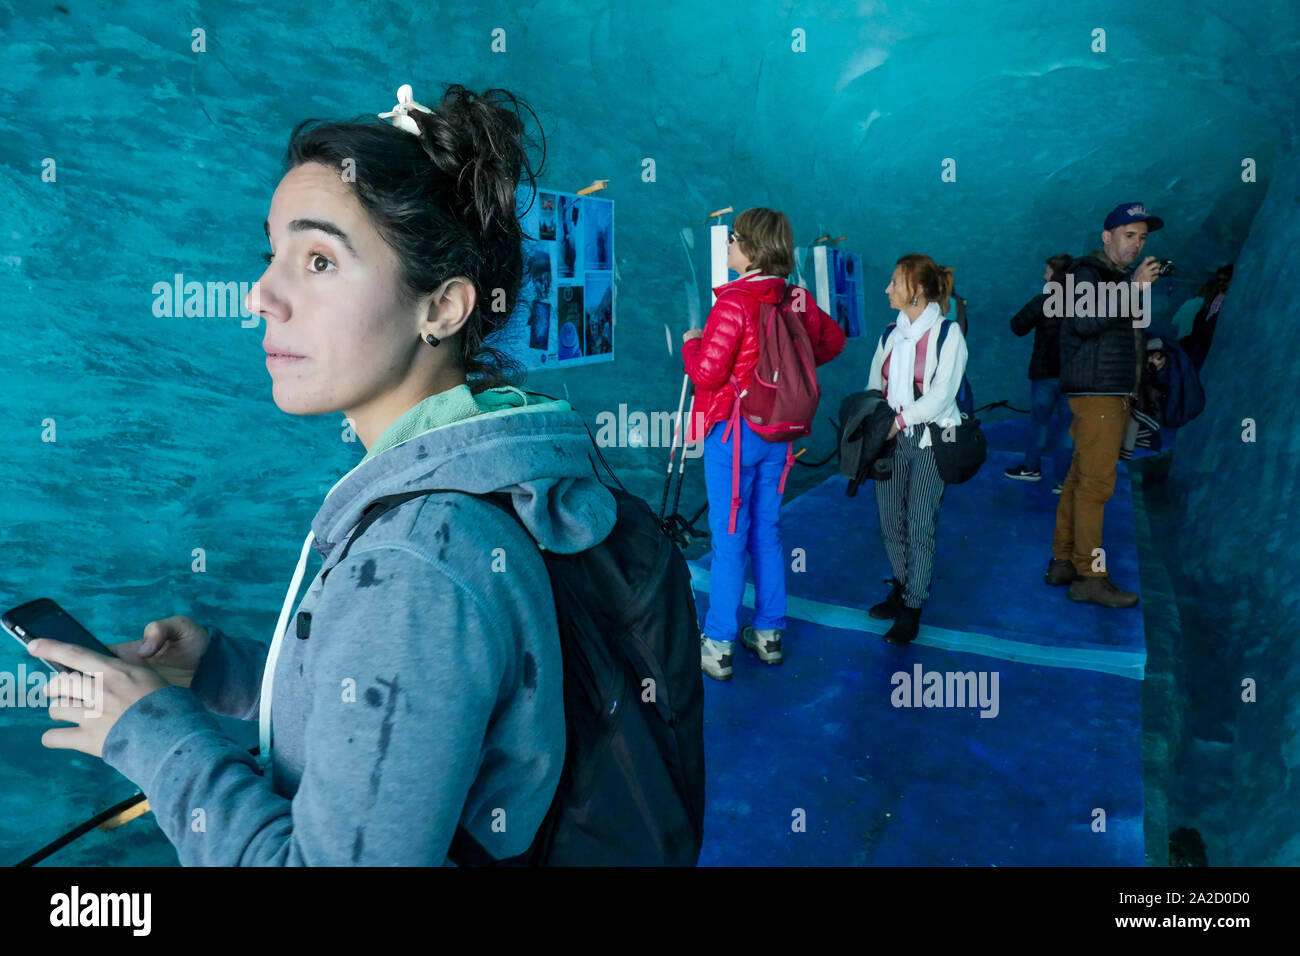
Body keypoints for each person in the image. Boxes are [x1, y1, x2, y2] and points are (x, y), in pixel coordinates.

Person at [29, 83, 618, 865]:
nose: (263, 294)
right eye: (271, 254)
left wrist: (152, 733)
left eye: (317, 259)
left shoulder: (416, 562)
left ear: (440, 308)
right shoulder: (479, 480)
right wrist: (225, 671)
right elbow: (414, 709)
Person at [683, 208, 845, 680]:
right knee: (767, 533)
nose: (728, 244)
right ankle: (770, 633)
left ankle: (718, 644)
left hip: (735, 436)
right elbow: (832, 342)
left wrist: (691, 342)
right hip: (781, 435)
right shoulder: (795, 297)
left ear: (751, 247)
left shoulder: (734, 303)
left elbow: (707, 372)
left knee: (729, 538)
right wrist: (783, 375)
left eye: (733, 238)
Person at [1046, 202, 1166, 608]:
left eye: (1143, 237)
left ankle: (1063, 560)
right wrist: (1135, 289)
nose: (1137, 244)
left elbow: (1110, 332)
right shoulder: (1087, 272)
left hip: (1106, 393)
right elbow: (1082, 321)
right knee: (1096, 487)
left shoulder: (1113, 277)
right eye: (1129, 235)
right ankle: (1090, 577)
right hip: (1099, 395)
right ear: (1107, 236)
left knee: (1081, 480)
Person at [865, 254, 969, 644]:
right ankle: (901, 588)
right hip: (892, 440)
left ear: (919, 291)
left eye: (895, 282)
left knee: (919, 525)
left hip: (930, 440)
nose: (887, 289)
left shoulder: (948, 335)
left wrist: (896, 422)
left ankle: (913, 606)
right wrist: (874, 424)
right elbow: (875, 385)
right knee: (891, 520)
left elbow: (942, 397)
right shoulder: (890, 334)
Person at [1005, 253, 1075, 490]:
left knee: (1040, 423)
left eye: (1047, 271)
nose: (1043, 275)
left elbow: (1017, 325)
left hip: (1045, 375)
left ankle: (1032, 468)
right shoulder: (1084, 304)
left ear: (1055, 276)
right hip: (1073, 376)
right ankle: (1062, 481)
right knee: (1068, 428)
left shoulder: (1044, 300)